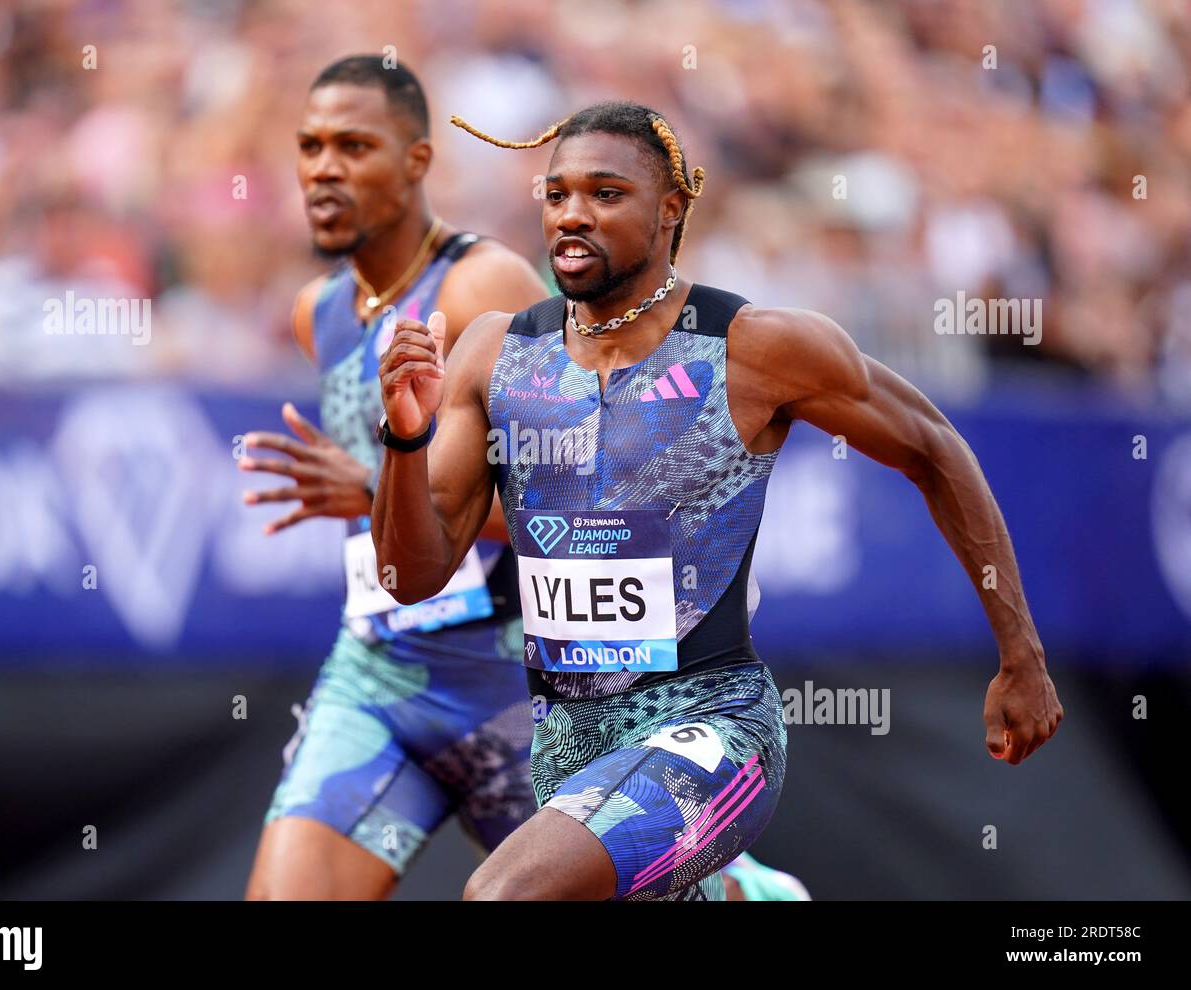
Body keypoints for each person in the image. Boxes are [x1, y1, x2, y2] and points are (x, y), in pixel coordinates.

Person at [368, 101, 1064, 901]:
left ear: (670, 208)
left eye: (605, 194)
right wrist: (405, 439)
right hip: (567, 747)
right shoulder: (497, 353)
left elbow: (936, 450)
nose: (571, 215)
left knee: (503, 896)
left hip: (715, 725)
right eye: (556, 194)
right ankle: (748, 896)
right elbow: (411, 575)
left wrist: (1021, 656)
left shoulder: (753, 348)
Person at [240, 55, 548, 900]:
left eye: (352, 145)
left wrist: (376, 489)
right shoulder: (321, 311)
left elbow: (565, 510)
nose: (323, 168)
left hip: (519, 690)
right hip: (380, 675)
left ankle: (742, 883)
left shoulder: (486, 285)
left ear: (416, 161)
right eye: (309, 146)